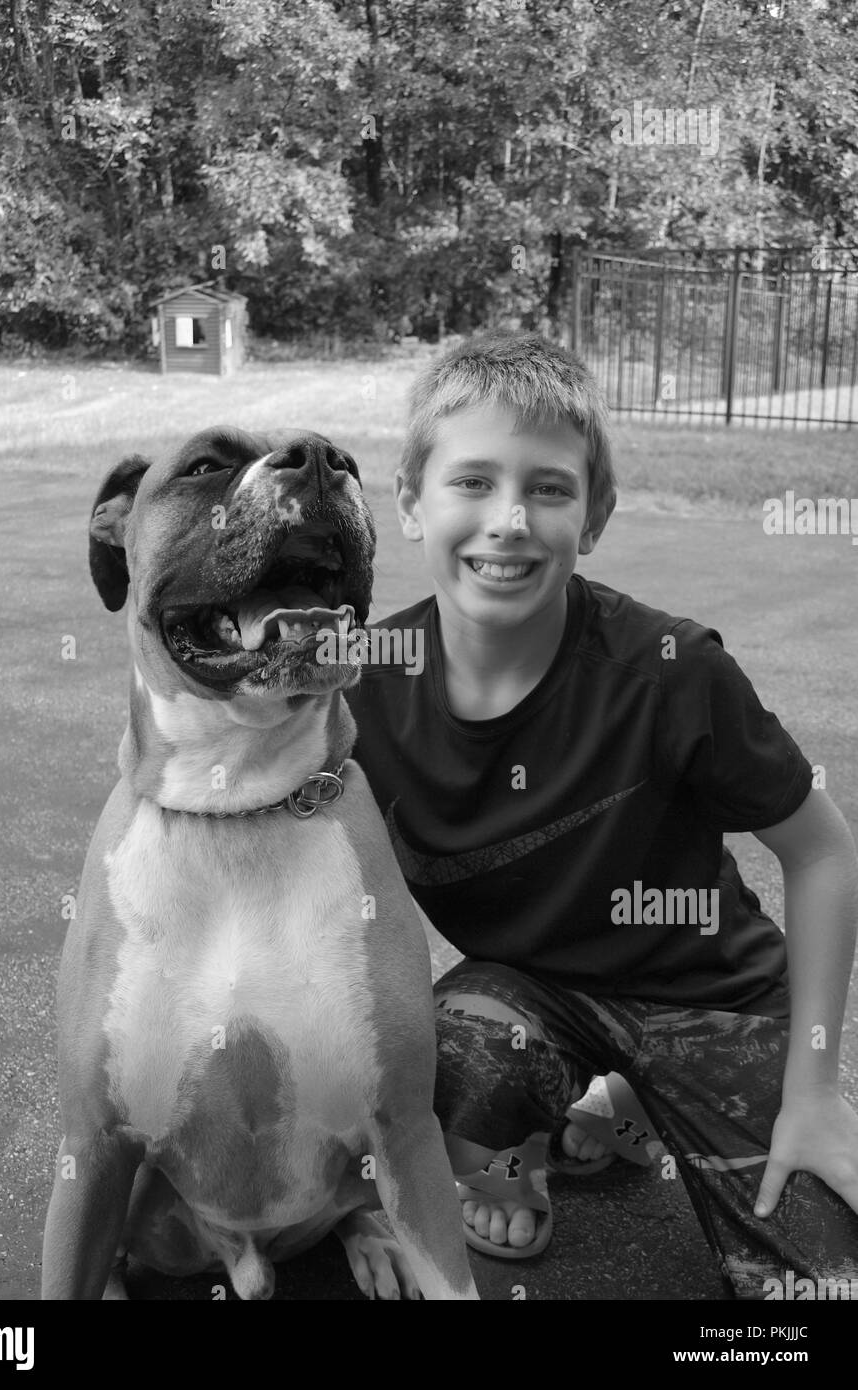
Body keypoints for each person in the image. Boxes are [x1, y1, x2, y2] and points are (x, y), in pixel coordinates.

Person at [343, 331, 858, 1295]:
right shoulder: (364, 686)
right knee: (428, 1059)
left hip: (713, 1001)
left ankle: (623, 1101)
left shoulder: (670, 671)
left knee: (812, 1291)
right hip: (527, 997)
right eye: (471, 483)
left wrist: (815, 1093)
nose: (508, 521)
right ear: (410, 501)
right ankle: (516, 1155)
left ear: (595, 514)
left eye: (547, 488)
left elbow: (824, 854)